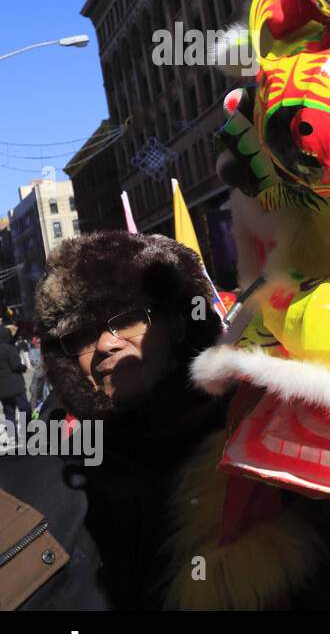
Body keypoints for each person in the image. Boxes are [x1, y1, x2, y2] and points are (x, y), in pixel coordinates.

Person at [0, 231, 226, 609]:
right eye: (84, 333)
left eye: (129, 318)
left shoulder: (256, 440)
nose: (105, 344)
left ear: (180, 326)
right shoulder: (47, 472)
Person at [0, 325, 30, 426]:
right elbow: (16, 366)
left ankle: (13, 438)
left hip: (3, 389)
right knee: (25, 409)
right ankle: (27, 433)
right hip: (15, 386)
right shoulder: (9, 349)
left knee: (9, 414)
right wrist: (24, 367)